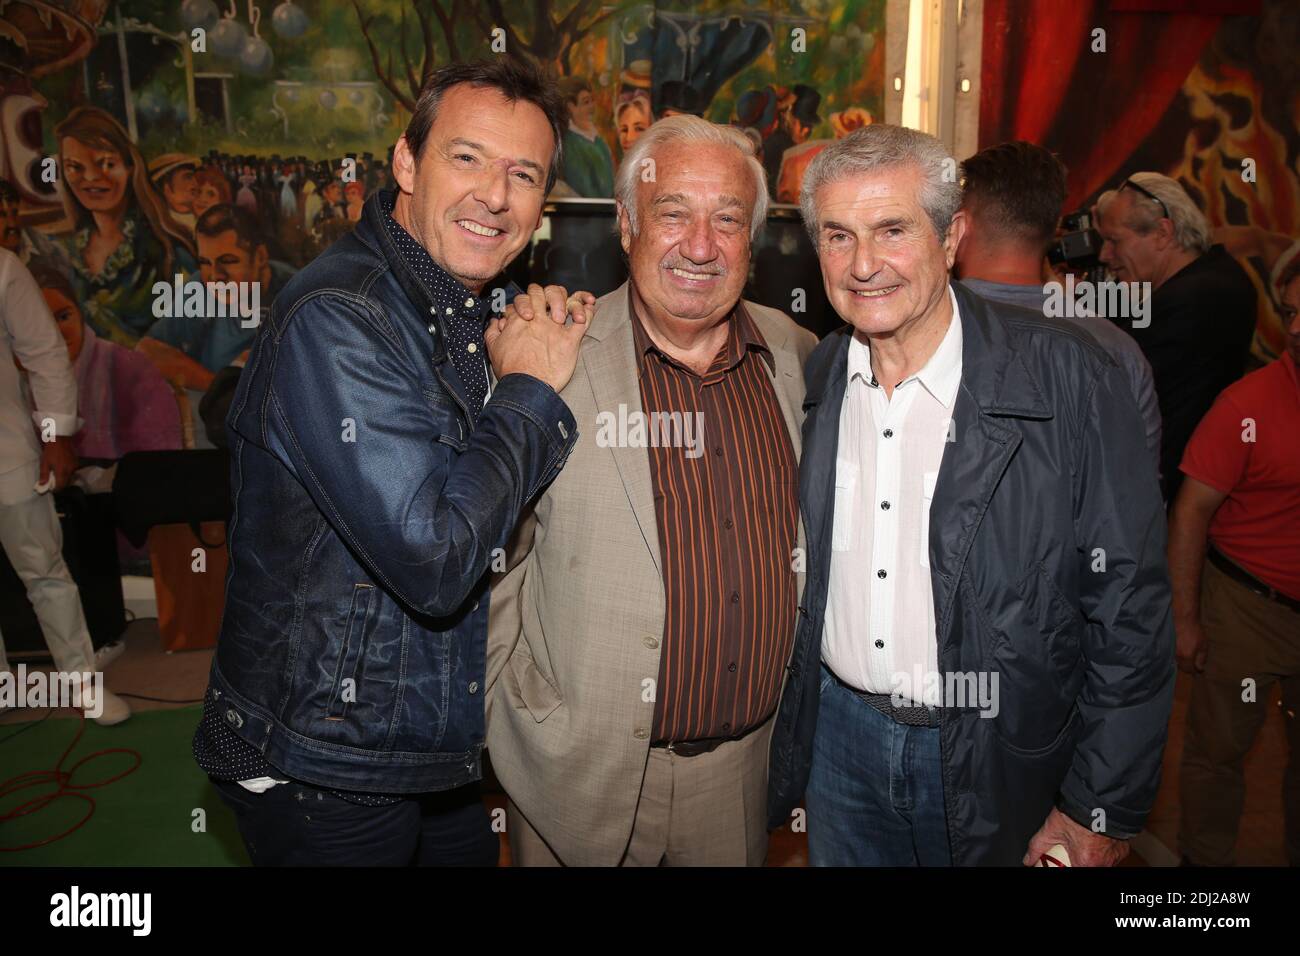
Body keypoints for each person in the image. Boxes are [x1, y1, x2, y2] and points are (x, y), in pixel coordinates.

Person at [192, 57, 593, 867]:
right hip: (323, 758)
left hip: (422, 739)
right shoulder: (340, 315)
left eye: (524, 174)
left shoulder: (455, 300)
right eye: (467, 157)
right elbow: (436, 558)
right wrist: (525, 386)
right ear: (406, 161)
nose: (495, 195)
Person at [767, 124, 1175, 866]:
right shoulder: (822, 372)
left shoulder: (1071, 378)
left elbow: (1131, 608)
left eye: (892, 230)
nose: (863, 265)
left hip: (1002, 753)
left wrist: (1099, 808)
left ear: (951, 236)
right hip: (842, 747)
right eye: (837, 235)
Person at [487, 115, 817, 866]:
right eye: (673, 213)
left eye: (727, 219)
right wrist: (510, 713)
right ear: (628, 225)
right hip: (575, 778)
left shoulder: (799, 360)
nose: (700, 246)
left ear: (753, 241)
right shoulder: (549, 358)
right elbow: (491, 560)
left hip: (742, 782)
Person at [1171, 256, 1300, 867]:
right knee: (1218, 754)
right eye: (1293, 312)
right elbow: (1191, 511)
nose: (1297, 327)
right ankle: (1205, 886)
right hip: (1247, 608)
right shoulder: (1246, 405)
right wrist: (1186, 618)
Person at [954, 141, 1162, 477]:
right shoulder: (1118, 349)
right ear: (1052, 230)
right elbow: (1137, 491)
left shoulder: (922, 332)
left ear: (960, 225)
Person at [0, 248, 130, 724]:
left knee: (44, 571)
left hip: (7, 451)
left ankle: (82, 685)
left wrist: (56, 435)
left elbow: (44, 351)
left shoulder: (4, 268)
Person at [1096, 172, 1257, 500]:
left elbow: (1112, 384)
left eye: (1115, 241)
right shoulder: (1214, 278)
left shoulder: (1197, 297)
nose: (1104, 256)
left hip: (1167, 490)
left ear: (1162, 233)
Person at [53, 107, 196, 347]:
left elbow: (197, 338)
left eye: (106, 163)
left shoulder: (167, 251)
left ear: (130, 167)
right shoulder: (62, 255)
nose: (90, 178)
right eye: (75, 167)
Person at [26, 259, 181, 463]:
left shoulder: (129, 368)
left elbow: (160, 459)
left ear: (79, 313)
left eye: (63, 317)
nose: (56, 333)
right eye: (40, 323)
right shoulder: (15, 376)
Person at [139, 204, 287, 391]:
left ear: (260, 257)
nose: (215, 275)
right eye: (205, 262)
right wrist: (219, 391)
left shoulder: (296, 293)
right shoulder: (199, 286)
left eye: (227, 261)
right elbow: (149, 349)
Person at [556, 76, 614, 198]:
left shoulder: (597, 140)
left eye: (592, 101)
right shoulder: (570, 144)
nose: (592, 107)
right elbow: (585, 190)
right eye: (586, 102)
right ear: (570, 107)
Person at [149, 154, 201, 234]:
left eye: (194, 177)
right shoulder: (159, 227)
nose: (196, 183)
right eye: (187, 177)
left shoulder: (203, 219)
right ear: (167, 189)